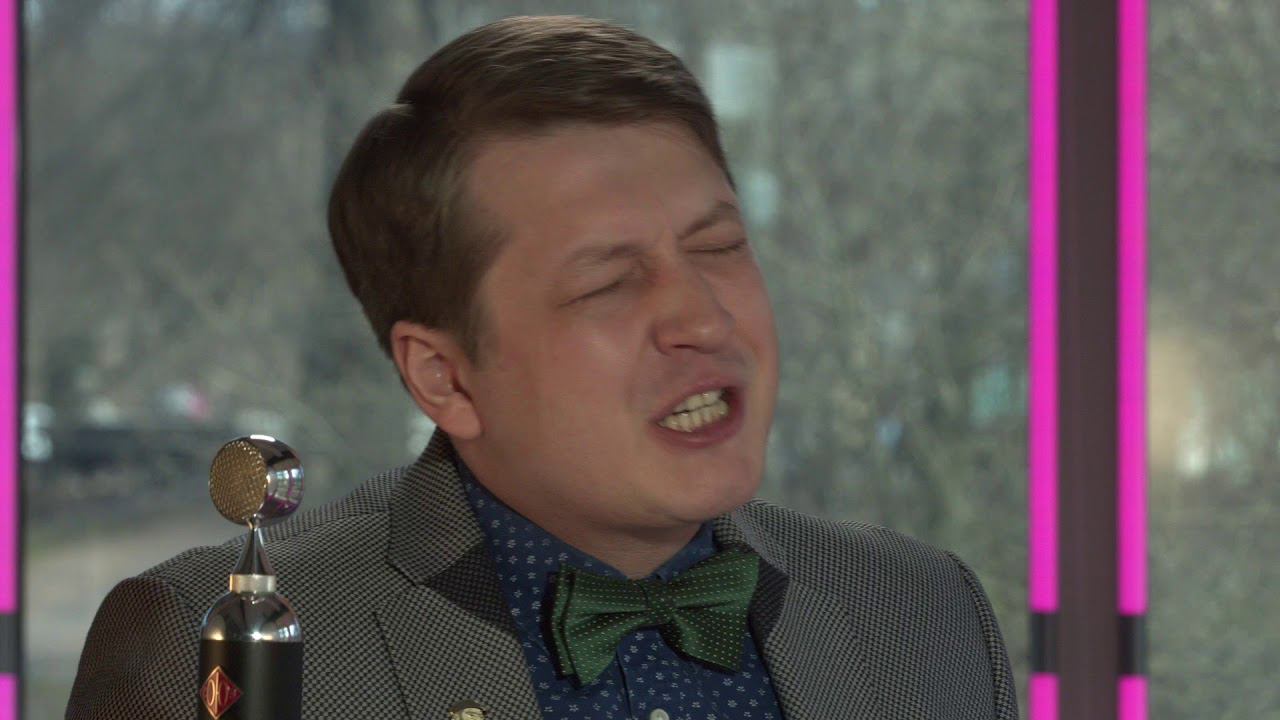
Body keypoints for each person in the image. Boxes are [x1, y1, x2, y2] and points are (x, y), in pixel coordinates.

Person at [67, 15, 1017, 720]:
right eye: (609, 283)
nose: (703, 316)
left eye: (719, 246)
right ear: (444, 377)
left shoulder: (921, 612)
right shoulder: (218, 642)